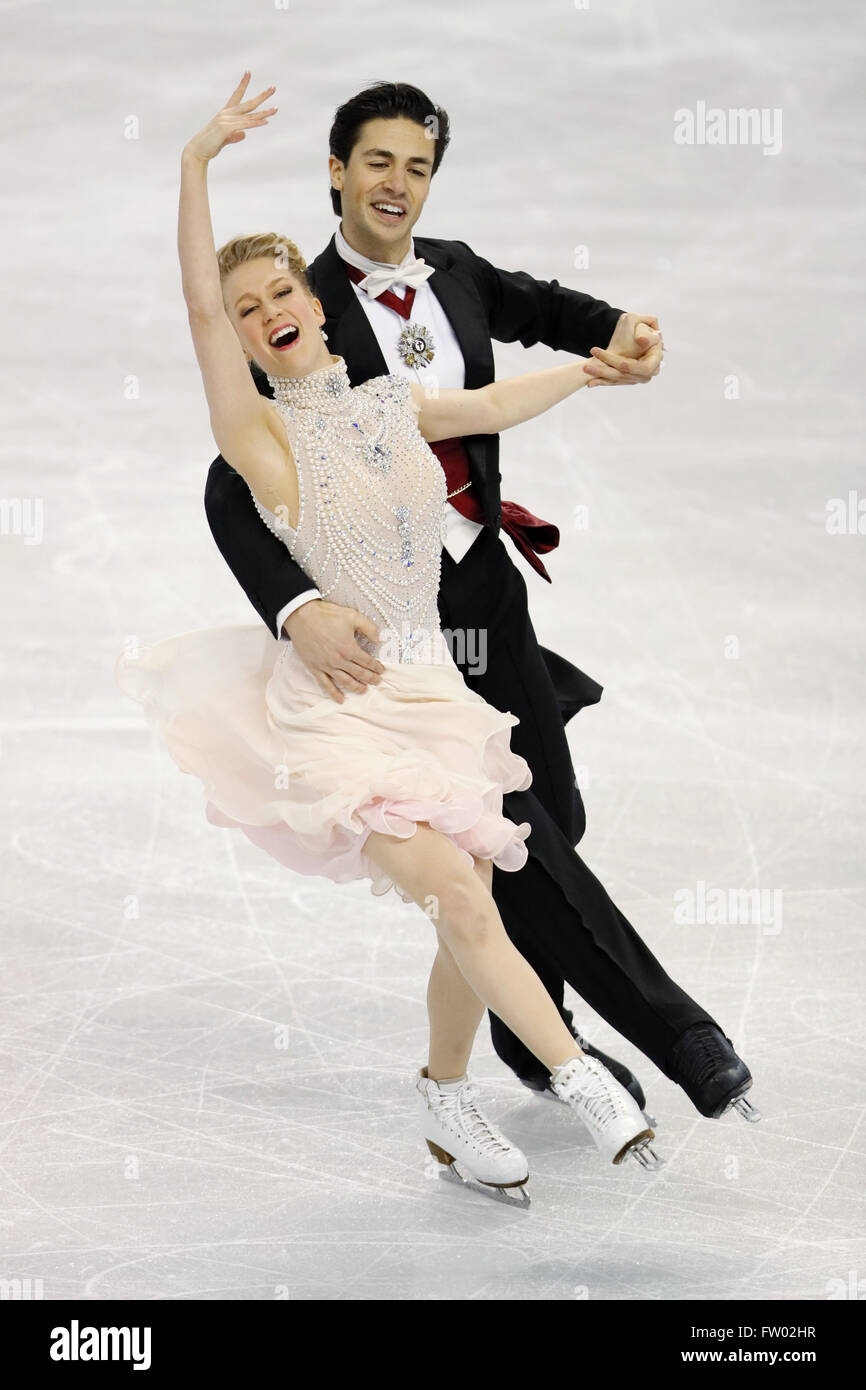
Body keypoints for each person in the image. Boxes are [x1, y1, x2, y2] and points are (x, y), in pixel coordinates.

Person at [116, 74, 665, 1203]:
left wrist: (586, 370)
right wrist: (193, 165)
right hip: (334, 718)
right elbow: (194, 306)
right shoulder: (256, 434)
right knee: (460, 899)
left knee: (473, 883)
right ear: (246, 337)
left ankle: (443, 1093)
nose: (269, 307)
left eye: (281, 289)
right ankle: (579, 1080)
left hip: (429, 699)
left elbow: (488, 408)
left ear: (314, 306)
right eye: (247, 305)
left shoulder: (384, 404)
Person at [203, 79, 760, 1126]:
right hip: (382, 644)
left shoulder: (450, 271)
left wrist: (613, 331)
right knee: (513, 837)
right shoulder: (293, 303)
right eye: (376, 161)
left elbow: (533, 312)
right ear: (336, 170)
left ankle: (520, 1020)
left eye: (416, 166)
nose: (396, 184)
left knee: (554, 814)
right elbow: (233, 484)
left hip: (481, 589)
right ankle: (643, 1042)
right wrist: (292, 606)